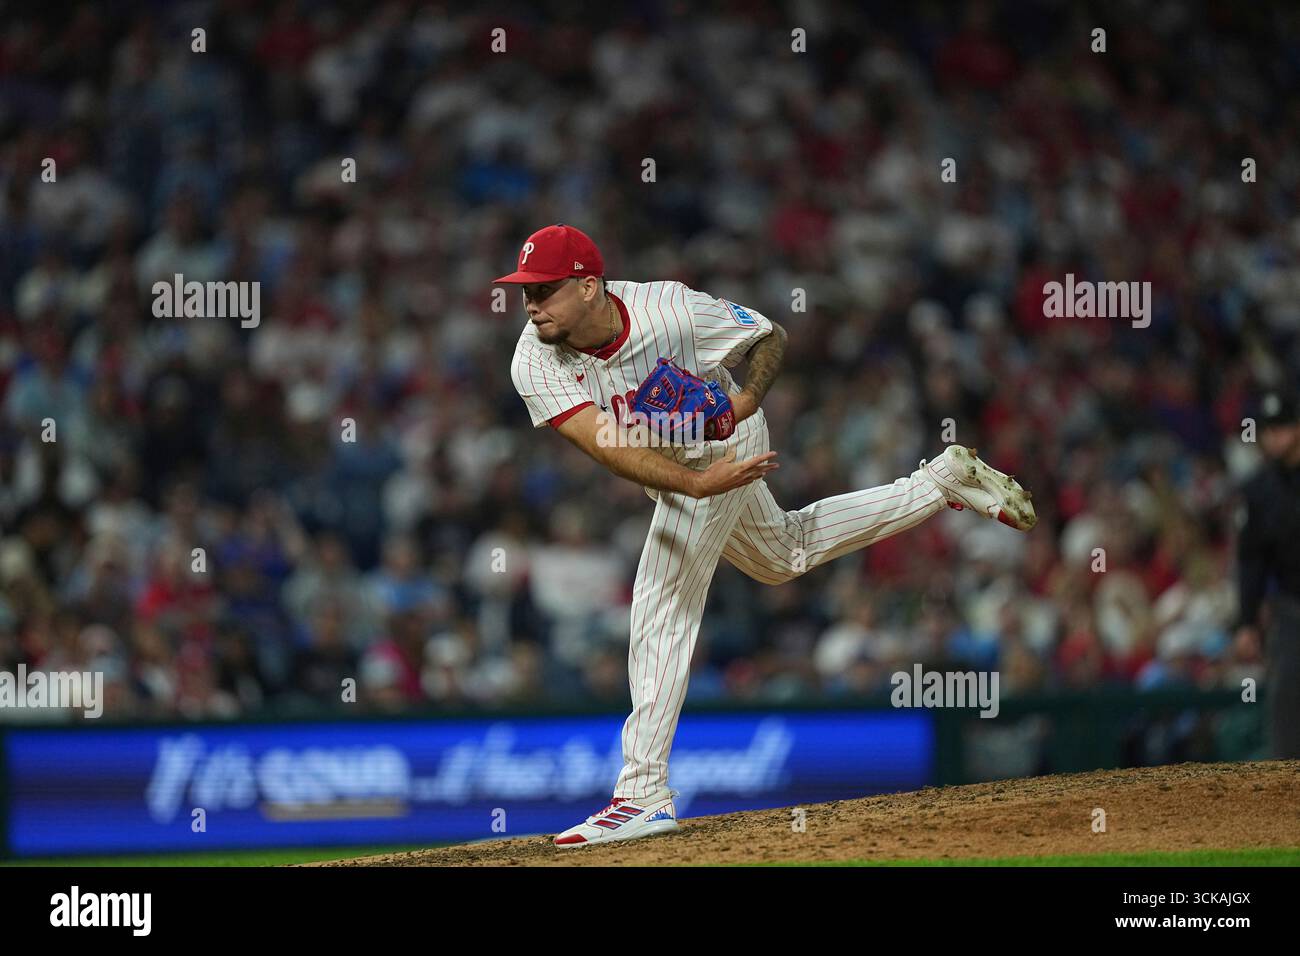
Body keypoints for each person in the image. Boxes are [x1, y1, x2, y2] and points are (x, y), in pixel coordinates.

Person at [498, 224, 1036, 847]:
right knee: (784, 553)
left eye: (544, 289)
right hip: (679, 468)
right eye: (525, 291)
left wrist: (745, 403)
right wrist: (693, 484)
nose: (530, 304)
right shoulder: (532, 359)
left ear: (589, 286)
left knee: (660, 601)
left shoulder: (669, 310)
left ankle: (642, 794)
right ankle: (940, 483)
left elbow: (768, 334)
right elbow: (606, 443)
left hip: (722, 445)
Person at [1235, 389, 1300, 759]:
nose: (1275, 436)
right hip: (1292, 608)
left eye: (1282, 426)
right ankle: (1288, 784)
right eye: (1269, 429)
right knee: (1287, 693)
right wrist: (1246, 621)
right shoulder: (1259, 490)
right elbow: (1251, 561)